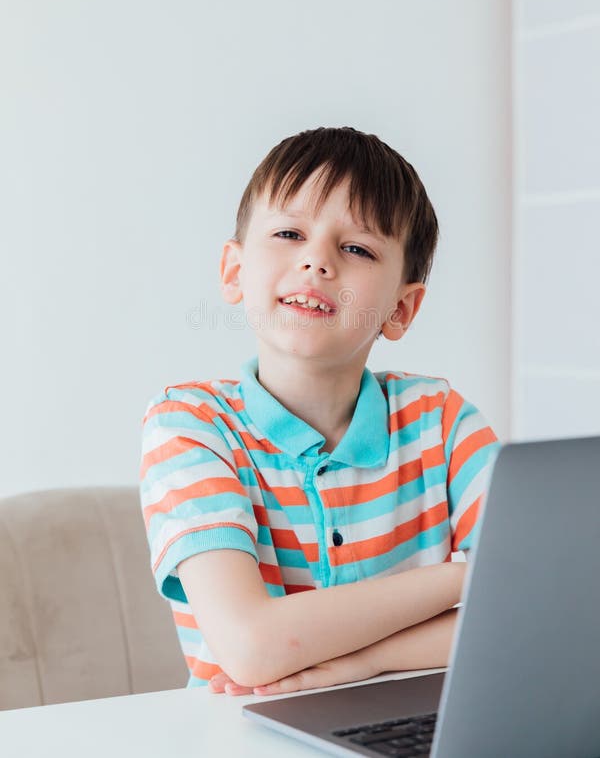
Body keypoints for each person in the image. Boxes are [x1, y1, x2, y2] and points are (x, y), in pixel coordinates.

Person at [140, 126, 500, 698]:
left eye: (357, 249)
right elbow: (252, 648)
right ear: (234, 272)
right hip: (241, 731)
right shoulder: (190, 425)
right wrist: (468, 579)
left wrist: (371, 660)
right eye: (289, 233)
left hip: (409, 720)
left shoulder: (442, 422)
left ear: (401, 309)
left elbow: (543, 606)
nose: (316, 261)